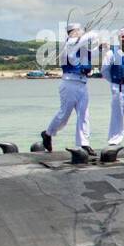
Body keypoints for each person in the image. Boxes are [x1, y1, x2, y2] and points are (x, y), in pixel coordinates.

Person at [41, 23, 96, 154]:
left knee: (84, 114)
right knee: (64, 114)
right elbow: (89, 36)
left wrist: (100, 44)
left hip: (82, 83)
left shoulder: (81, 48)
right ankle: (48, 133)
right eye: (79, 30)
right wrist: (88, 34)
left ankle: (83, 143)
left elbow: (93, 43)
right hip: (69, 83)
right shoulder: (69, 44)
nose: (81, 33)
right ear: (73, 32)